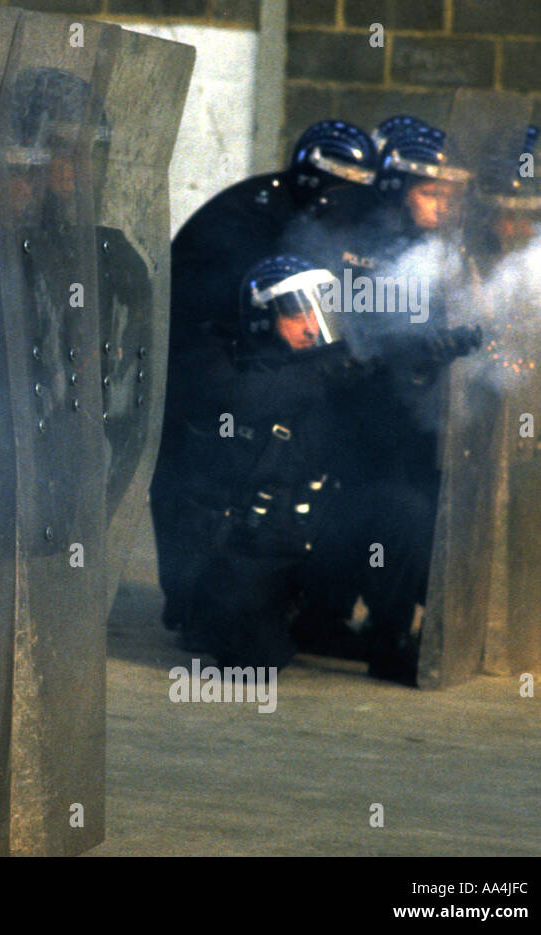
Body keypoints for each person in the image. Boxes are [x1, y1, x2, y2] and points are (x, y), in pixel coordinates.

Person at [153, 120, 381, 631]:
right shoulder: (245, 216)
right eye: (340, 191)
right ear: (311, 180)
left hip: (275, 359)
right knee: (197, 472)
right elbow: (212, 317)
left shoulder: (334, 222)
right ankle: (190, 600)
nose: (348, 206)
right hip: (201, 353)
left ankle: (300, 599)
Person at [176, 256, 442, 680]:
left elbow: (383, 431)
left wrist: (416, 371)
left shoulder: (331, 366)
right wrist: (330, 370)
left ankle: (386, 639)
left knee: (400, 508)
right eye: (296, 314)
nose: (311, 327)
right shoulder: (221, 359)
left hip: (314, 540)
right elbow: (240, 401)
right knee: (253, 664)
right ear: (264, 318)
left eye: (317, 312)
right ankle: (242, 620)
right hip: (248, 546)